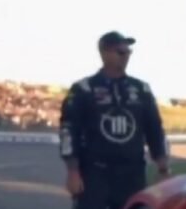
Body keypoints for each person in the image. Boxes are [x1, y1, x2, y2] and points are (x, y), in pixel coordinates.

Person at [59, 31, 170, 208]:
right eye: (120, 52)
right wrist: (72, 171)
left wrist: (163, 168)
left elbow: (155, 129)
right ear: (104, 53)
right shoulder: (83, 89)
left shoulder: (141, 89)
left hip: (132, 175)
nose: (126, 56)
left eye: (128, 52)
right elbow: (68, 131)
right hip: (95, 174)